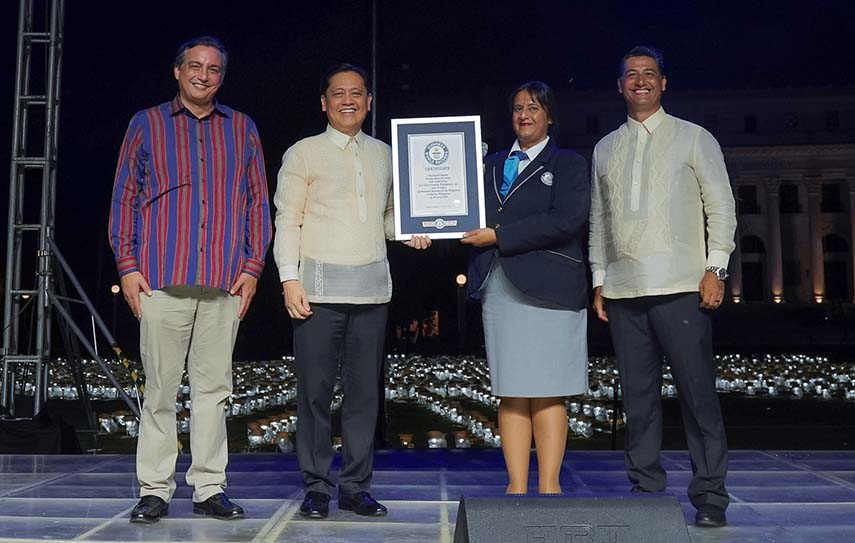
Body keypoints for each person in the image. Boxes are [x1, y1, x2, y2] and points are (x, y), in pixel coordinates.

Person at [108, 36, 271, 524]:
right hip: (160, 280)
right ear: (177, 72)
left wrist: (252, 269)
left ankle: (209, 487)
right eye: (195, 66)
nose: (204, 74)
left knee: (213, 391)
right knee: (159, 391)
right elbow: (125, 198)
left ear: (223, 76)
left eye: (214, 68)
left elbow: (257, 203)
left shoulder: (242, 128)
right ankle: (155, 489)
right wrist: (128, 267)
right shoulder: (147, 124)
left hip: (223, 283)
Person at [273, 63, 430, 519]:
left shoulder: (385, 153)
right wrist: (288, 278)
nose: (349, 100)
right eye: (339, 93)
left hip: (372, 291)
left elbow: (386, 217)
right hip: (317, 290)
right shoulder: (302, 153)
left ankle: (356, 486)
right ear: (324, 102)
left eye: (357, 93)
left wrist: (412, 230)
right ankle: (318, 487)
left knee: (364, 397)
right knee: (315, 395)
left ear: (369, 101)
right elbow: (287, 219)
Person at [589, 45, 736, 528]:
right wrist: (600, 280)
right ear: (620, 86)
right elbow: (599, 222)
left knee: (698, 396)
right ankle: (646, 489)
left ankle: (710, 495)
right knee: (638, 399)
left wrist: (716, 269)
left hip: (682, 288)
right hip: (625, 292)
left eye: (649, 74)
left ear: (664, 83)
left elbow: (721, 207)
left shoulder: (695, 138)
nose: (640, 81)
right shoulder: (605, 147)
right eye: (631, 75)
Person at [463, 81, 590, 495]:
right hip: (500, 289)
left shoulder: (569, 164)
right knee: (512, 388)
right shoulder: (490, 164)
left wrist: (499, 235)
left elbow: (566, 221)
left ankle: (550, 487)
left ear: (550, 115)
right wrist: (424, 228)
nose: (524, 115)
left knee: (549, 390)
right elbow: (458, 210)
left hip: (551, 289)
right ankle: (516, 488)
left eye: (534, 108)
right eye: (517, 108)